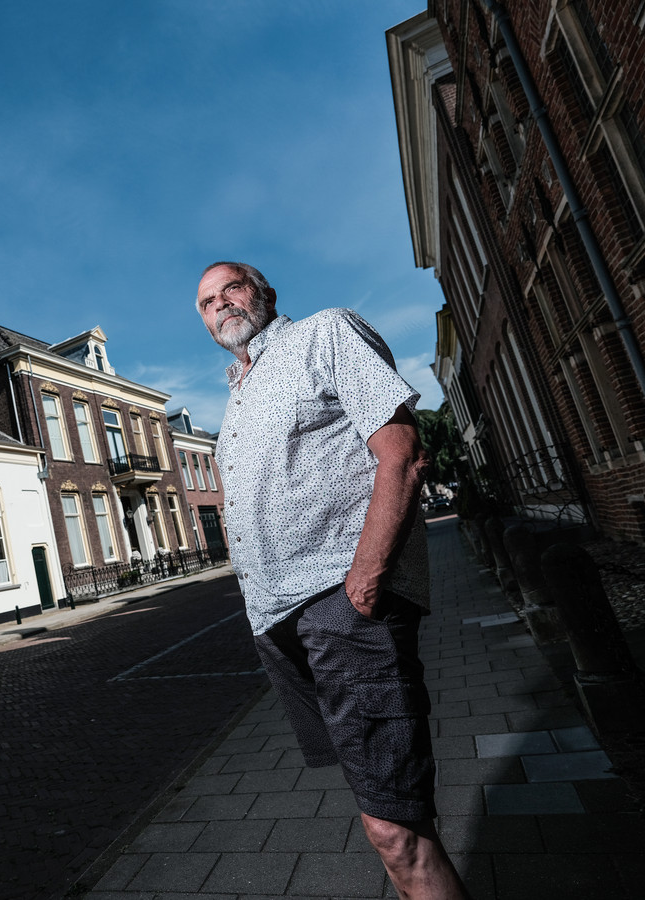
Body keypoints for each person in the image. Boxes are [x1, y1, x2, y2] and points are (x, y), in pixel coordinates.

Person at [197, 262, 470, 900]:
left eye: (232, 288)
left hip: (339, 605)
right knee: (381, 809)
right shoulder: (236, 397)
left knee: (393, 828)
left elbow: (402, 451)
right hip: (277, 621)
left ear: (264, 292)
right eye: (208, 302)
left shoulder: (324, 334)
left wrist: (368, 577)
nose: (222, 305)